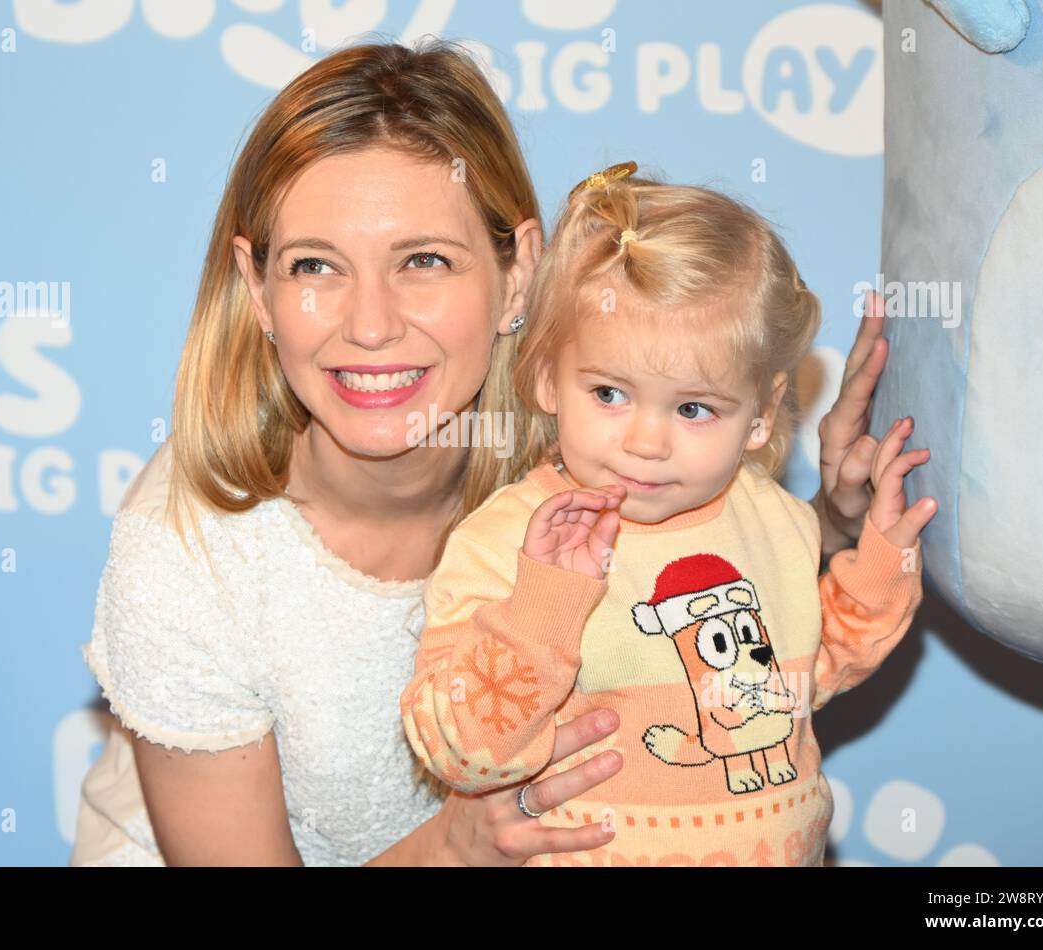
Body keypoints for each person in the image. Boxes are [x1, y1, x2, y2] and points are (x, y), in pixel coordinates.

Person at [70, 40, 894, 867]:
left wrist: (835, 520)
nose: (370, 324)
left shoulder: (598, 425)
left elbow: (713, 579)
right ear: (258, 290)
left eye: (423, 260)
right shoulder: (186, 547)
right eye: (315, 265)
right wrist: (454, 849)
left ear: (518, 274)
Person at [400, 164, 937, 866]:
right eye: (610, 394)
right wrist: (546, 602)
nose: (646, 442)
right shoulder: (504, 543)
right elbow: (459, 751)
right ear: (545, 377)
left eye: (692, 408)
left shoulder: (771, 519)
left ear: (761, 414)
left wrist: (881, 562)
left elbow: (808, 676)